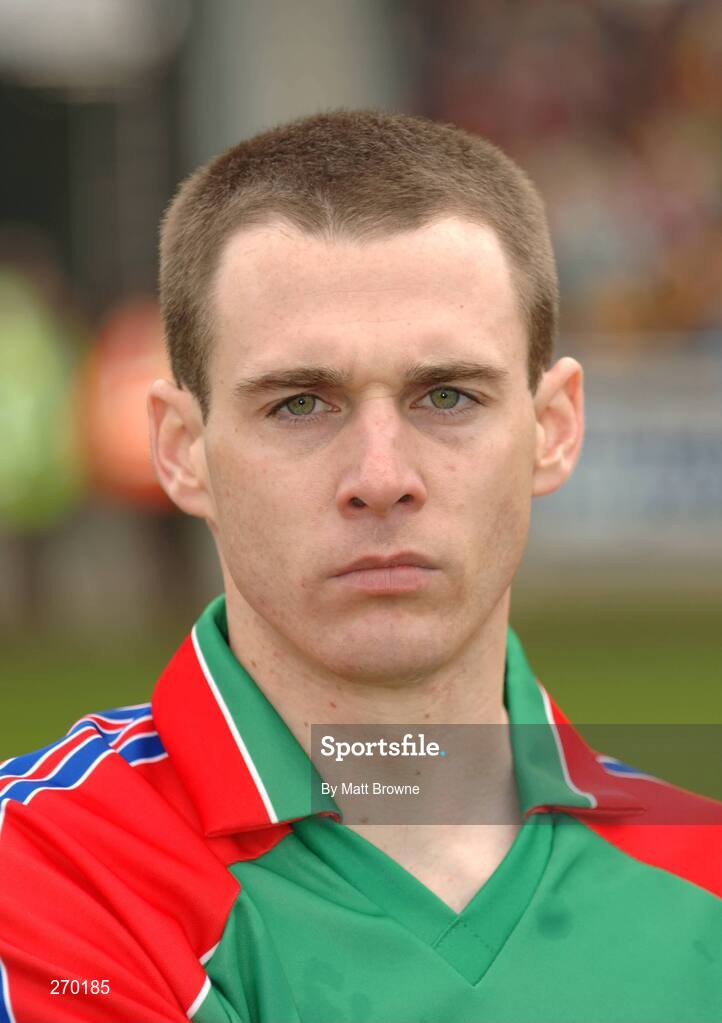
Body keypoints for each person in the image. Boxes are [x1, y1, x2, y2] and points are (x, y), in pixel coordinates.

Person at [1, 110, 720, 1023]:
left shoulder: (706, 875)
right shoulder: (46, 867)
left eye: (448, 395)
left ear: (554, 427)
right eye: (301, 404)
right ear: (181, 449)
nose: (382, 478)